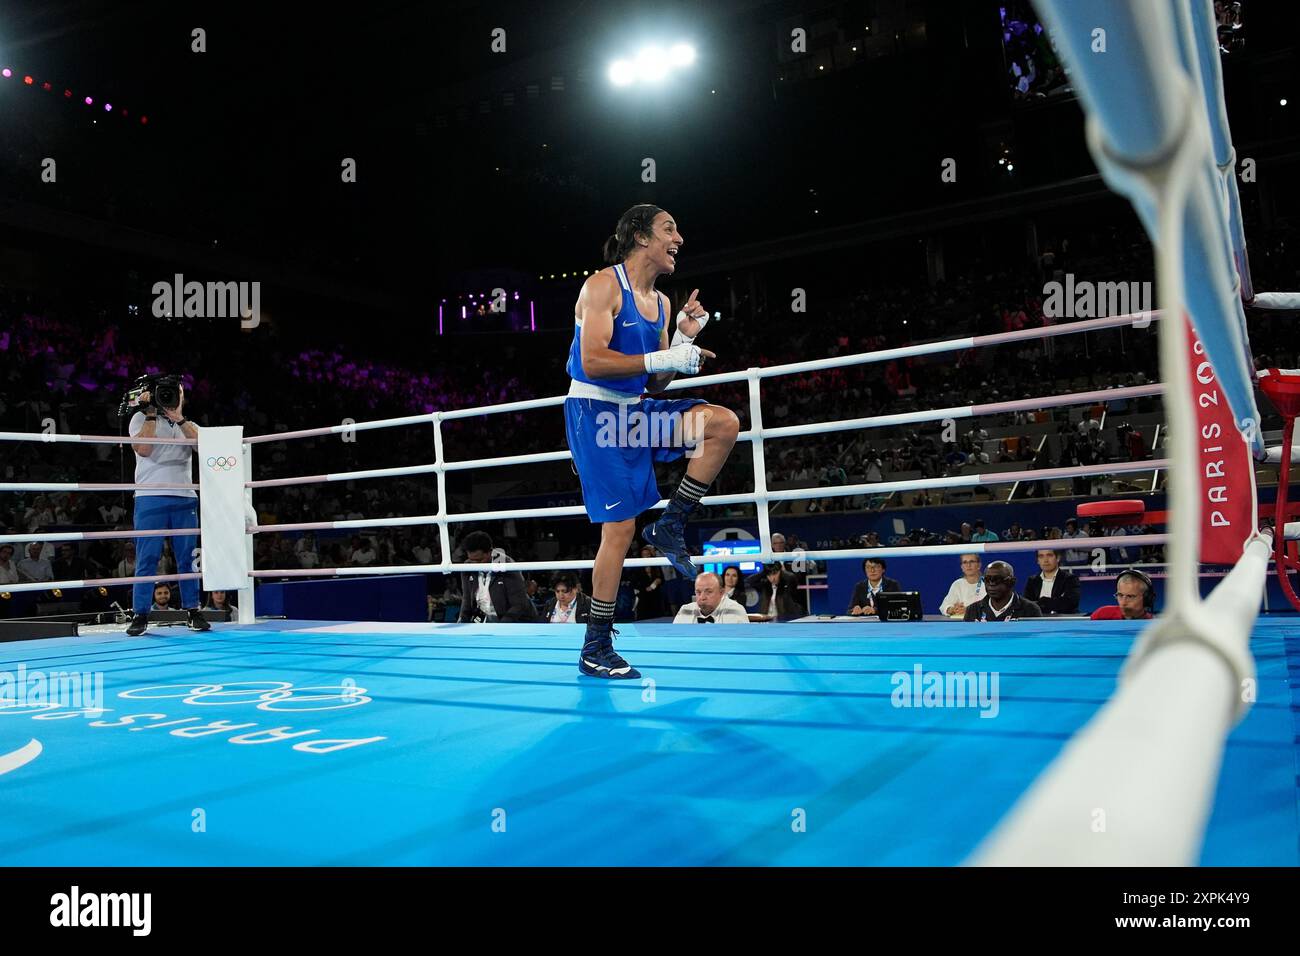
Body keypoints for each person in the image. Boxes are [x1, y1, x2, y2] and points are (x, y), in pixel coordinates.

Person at [565, 204, 740, 678]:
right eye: (669, 229)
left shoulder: (663, 304)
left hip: (635, 411)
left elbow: (655, 382)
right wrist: (662, 355)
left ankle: (671, 524)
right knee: (619, 530)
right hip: (594, 413)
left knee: (722, 424)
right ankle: (595, 646)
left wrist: (681, 341)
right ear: (641, 237)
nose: (679, 237)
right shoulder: (602, 285)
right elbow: (595, 361)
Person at [125, 376, 210, 636]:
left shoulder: (189, 425)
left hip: (185, 498)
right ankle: (140, 614)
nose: (173, 396)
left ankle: (192, 611)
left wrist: (180, 418)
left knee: (188, 558)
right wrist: (151, 414)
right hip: (150, 496)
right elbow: (143, 448)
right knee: (147, 557)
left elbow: (206, 449)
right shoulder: (139, 419)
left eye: (178, 392)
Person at [455, 530, 538, 623]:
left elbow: (519, 604)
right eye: (471, 560)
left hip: (516, 622)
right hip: (487, 621)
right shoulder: (467, 566)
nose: (475, 564)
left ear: (490, 552)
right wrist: (462, 621)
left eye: (479, 560)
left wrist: (500, 628)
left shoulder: (507, 565)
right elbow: (467, 599)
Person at [963, 561, 1042, 621]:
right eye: (987, 579)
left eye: (997, 579)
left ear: (1012, 582)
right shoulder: (973, 610)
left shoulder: (1030, 610)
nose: (991, 584)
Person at [673, 572, 748, 623]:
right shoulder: (685, 610)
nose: (702, 597)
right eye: (698, 592)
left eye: (708, 592)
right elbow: (674, 641)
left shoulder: (734, 610)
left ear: (721, 593)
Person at [1022, 549, 1080, 614]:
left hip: (1063, 621)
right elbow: (1027, 605)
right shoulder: (1032, 580)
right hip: (1038, 621)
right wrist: (1055, 602)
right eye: (1041, 556)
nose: (1045, 560)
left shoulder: (1070, 579)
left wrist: (1043, 601)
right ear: (1038, 561)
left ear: (1058, 558)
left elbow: (1070, 603)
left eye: (1049, 555)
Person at [1090, 568, 1155, 620]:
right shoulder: (1102, 615)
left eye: (1130, 596)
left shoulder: (1153, 627)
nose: (1123, 603)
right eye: (1120, 595)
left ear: (1147, 598)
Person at [939, 554, 986, 618]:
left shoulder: (987, 583)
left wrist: (969, 610)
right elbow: (944, 606)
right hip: (962, 622)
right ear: (962, 567)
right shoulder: (957, 584)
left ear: (979, 565)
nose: (968, 565)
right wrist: (952, 609)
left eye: (971, 561)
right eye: (965, 562)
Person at [629, 544, 668, 619]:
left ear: (650, 555)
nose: (646, 556)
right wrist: (644, 588)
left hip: (655, 595)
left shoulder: (656, 566)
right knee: (643, 616)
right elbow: (635, 582)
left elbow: (661, 579)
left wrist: (655, 583)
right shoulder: (638, 568)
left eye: (648, 554)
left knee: (657, 616)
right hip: (643, 596)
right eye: (644, 555)